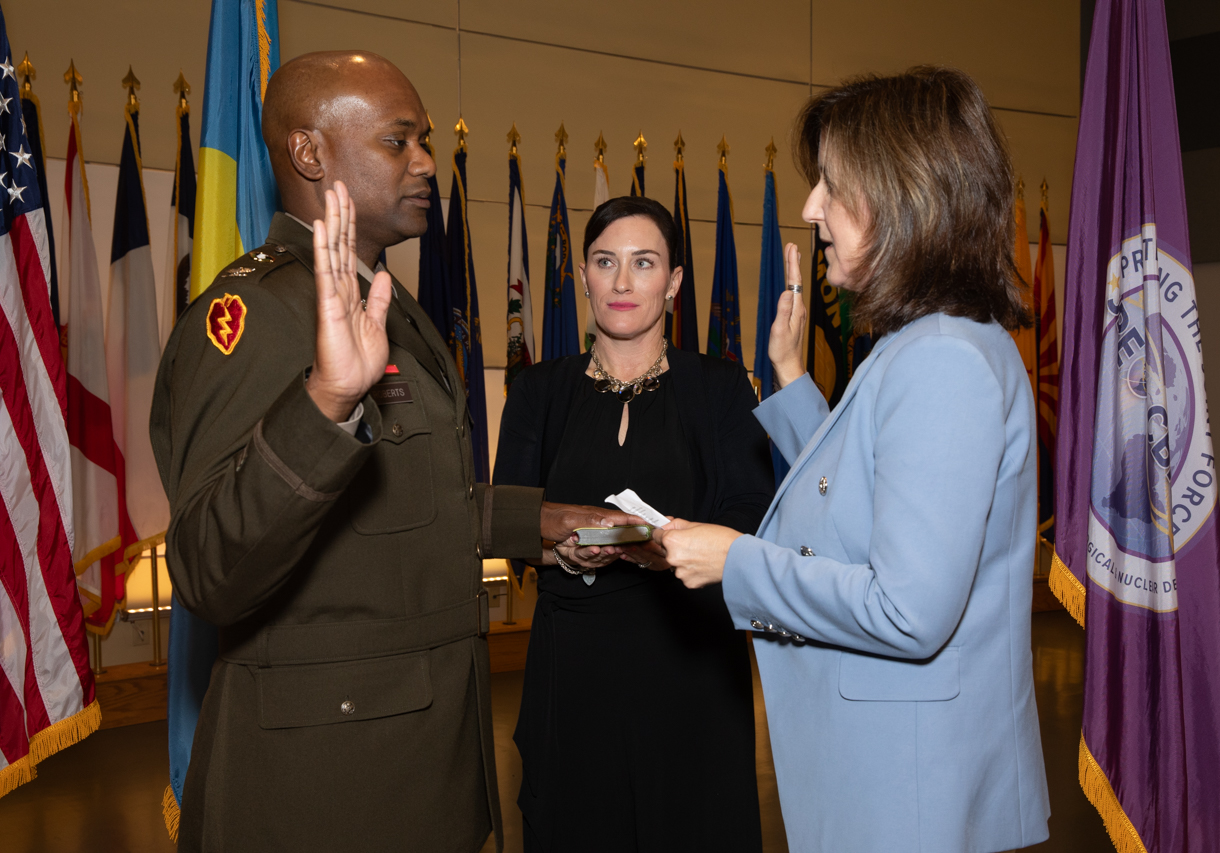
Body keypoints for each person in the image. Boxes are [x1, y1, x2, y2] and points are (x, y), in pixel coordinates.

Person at [150, 51, 639, 852]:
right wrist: (325, 402)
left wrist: (543, 523)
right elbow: (207, 566)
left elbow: (404, 498)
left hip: (423, 760)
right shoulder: (253, 316)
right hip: (324, 789)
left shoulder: (387, 302)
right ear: (309, 153)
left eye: (425, 141)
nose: (426, 162)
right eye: (397, 141)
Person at [654, 67, 1052, 852]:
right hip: (901, 773)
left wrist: (736, 561)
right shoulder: (929, 342)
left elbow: (907, 610)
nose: (810, 209)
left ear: (904, 197)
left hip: (909, 790)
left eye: (831, 185)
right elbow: (870, 493)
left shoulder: (941, 357)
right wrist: (792, 380)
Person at [492, 196, 775, 853]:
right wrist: (561, 550)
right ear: (582, 277)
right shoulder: (537, 390)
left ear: (673, 282)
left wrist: (670, 546)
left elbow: (750, 512)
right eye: (605, 262)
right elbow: (506, 518)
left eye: (643, 263)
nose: (622, 281)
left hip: (691, 669)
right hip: (573, 672)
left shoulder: (722, 387)